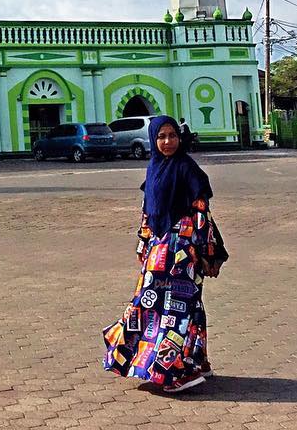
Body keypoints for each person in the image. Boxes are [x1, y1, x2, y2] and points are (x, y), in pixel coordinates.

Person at [102, 115, 228, 392]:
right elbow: (148, 211)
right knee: (176, 306)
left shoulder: (187, 168)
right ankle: (196, 362)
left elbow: (201, 213)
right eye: (161, 137)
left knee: (171, 308)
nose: (168, 142)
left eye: (172, 136)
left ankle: (175, 372)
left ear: (180, 138)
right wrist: (143, 243)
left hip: (183, 250)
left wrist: (207, 252)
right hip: (158, 250)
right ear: (153, 140)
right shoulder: (154, 169)